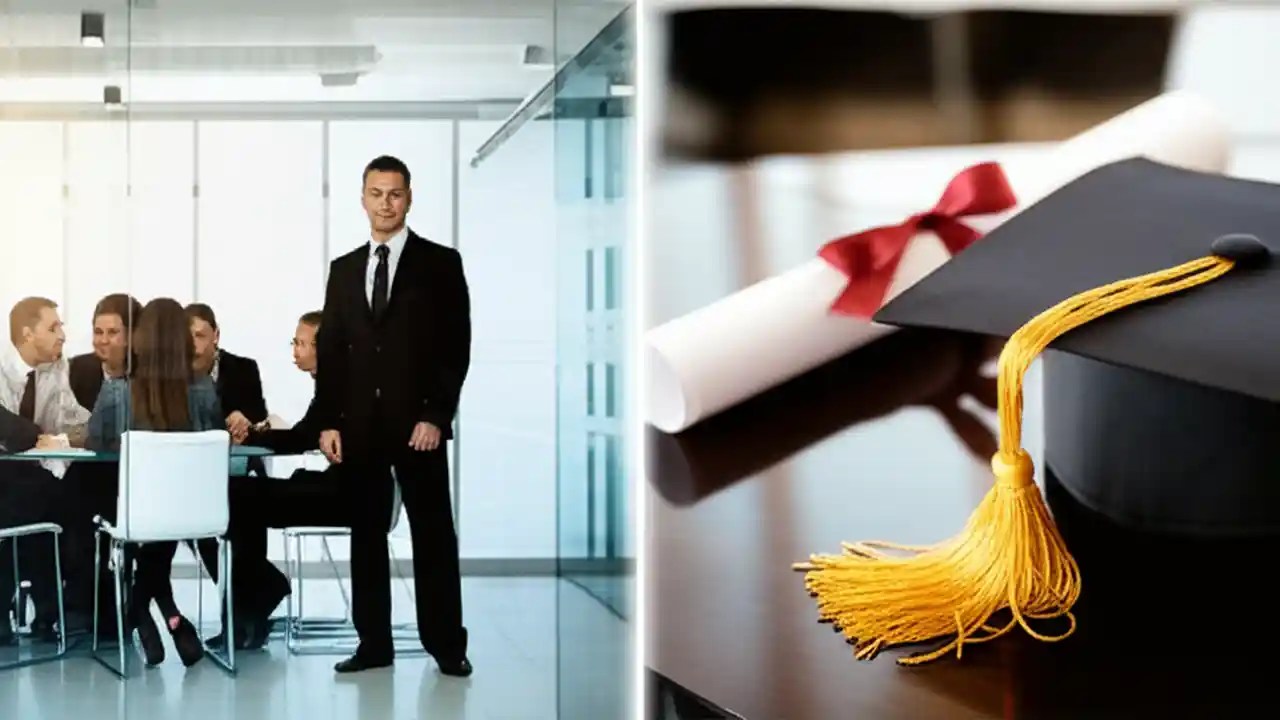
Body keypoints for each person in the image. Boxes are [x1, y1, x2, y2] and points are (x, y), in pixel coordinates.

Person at [315, 155, 472, 675]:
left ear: (409, 198)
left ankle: (447, 645)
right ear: (363, 199)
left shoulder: (440, 263)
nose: (386, 204)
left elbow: (455, 348)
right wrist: (329, 420)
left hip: (417, 427)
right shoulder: (343, 270)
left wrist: (436, 415)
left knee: (432, 533)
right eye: (376, 193)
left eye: (395, 194)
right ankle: (373, 645)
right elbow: (332, 351)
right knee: (366, 534)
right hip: (359, 426)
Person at [86, 297, 224, 668]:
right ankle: (170, 614)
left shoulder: (118, 390)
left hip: (135, 511)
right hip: (191, 513)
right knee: (165, 525)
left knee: (144, 520)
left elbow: (94, 443)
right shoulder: (204, 389)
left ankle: (136, 611)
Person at [0, 297, 92, 636]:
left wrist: (77, 434)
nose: (62, 335)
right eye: (53, 328)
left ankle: (36, 606)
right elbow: (15, 433)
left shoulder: (56, 368)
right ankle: (51, 606)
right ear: (27, 334)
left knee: (51, 497)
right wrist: (34, 435)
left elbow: (76, 424)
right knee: (41, 497)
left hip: (33, 481)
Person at [69, 294, 144, 411]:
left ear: (132, 336)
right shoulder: (76, 370)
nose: (103, 340)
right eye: (98, 332)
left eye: (112, 332)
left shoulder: (145, 375)